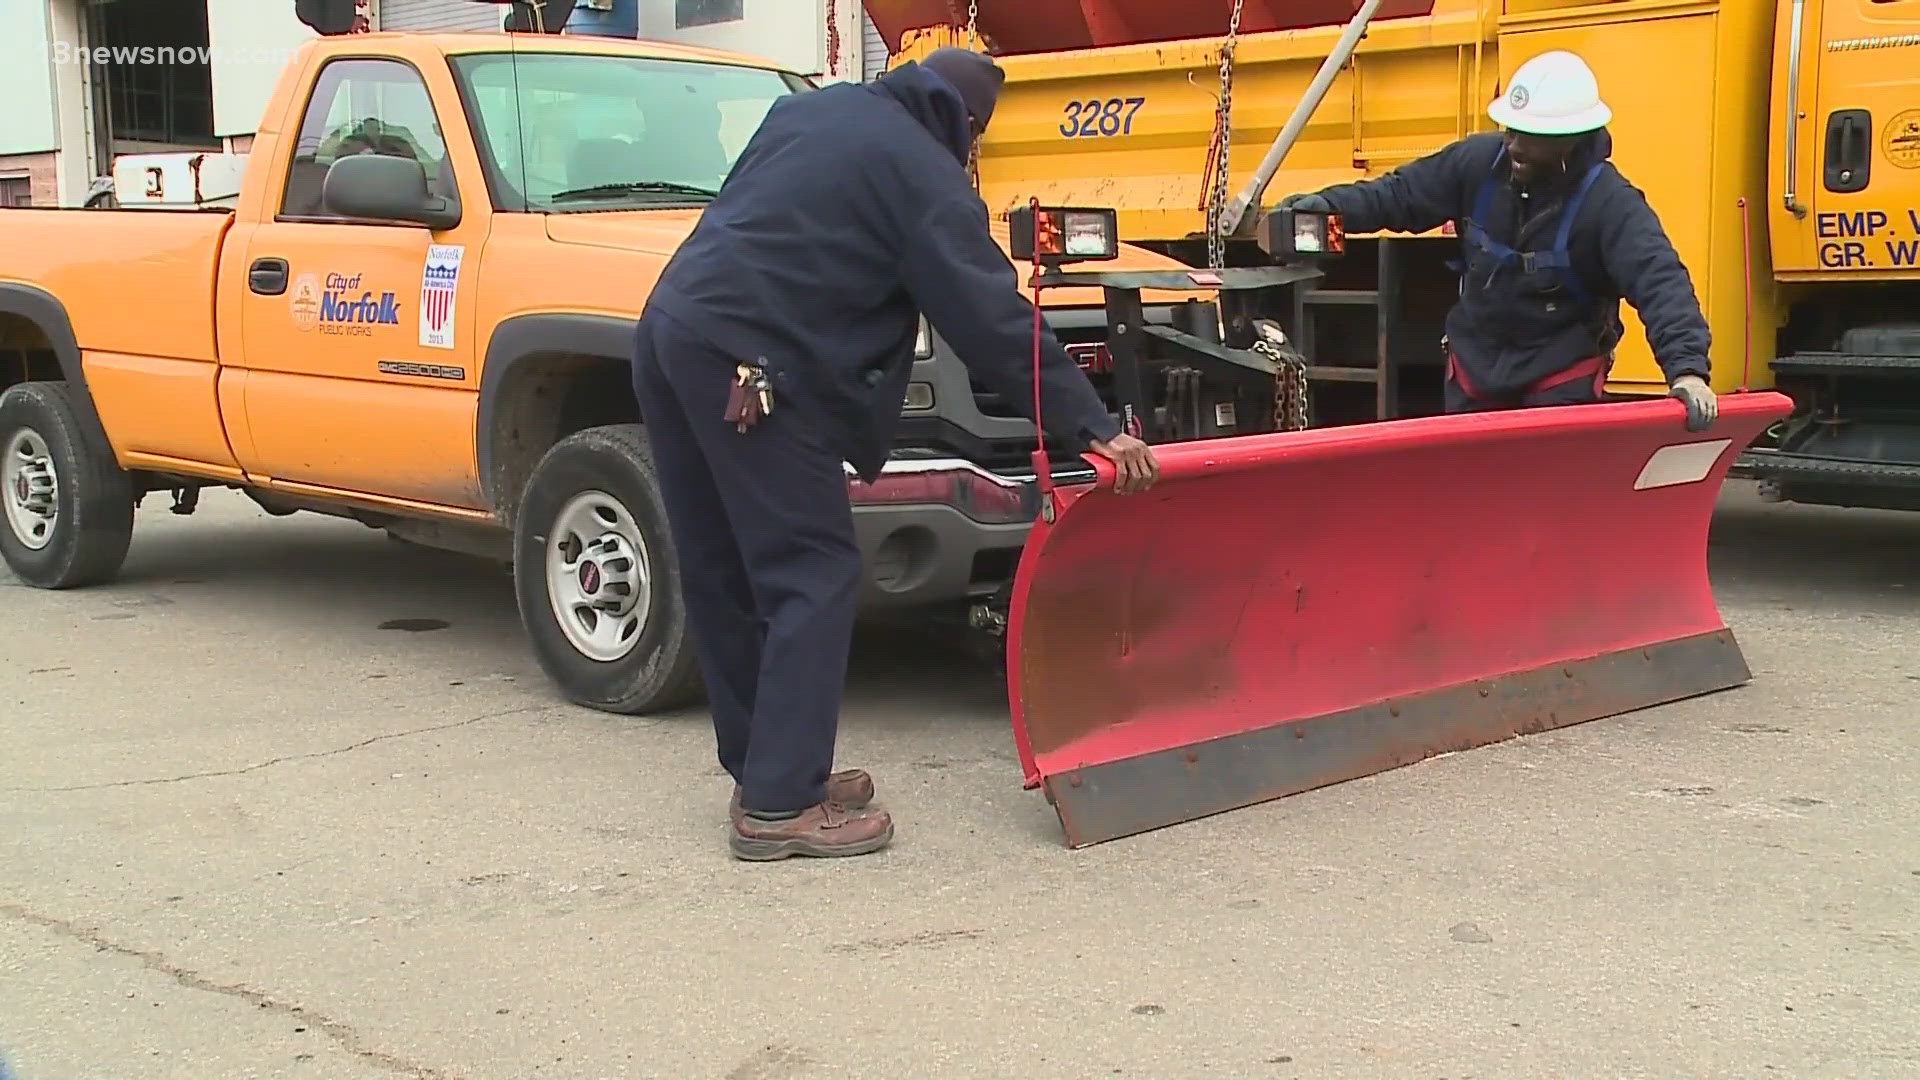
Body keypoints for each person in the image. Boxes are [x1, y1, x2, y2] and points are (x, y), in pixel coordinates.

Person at [630, 47, 1158, 862]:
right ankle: (778, 805)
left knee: (724, 566)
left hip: (670, 335)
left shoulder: (809, 112)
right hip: (756, 372)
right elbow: (988, 315)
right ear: (965, 123)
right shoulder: (922, 172)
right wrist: (1089, 423)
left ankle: (769, 768)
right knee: (812, 570)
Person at [1275, 50, 1718, 431]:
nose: (1514, 146)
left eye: (1530, 136)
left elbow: (1660, 282)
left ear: (1570, 141)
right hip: (1474, 372)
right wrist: (1328, 206)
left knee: (1542, 504)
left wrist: (1688, 371)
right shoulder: (1478, 162)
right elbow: (1399, 195)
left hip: (1557, 383)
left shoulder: (1610, 204)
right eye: (1510, 130)